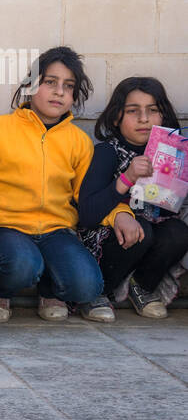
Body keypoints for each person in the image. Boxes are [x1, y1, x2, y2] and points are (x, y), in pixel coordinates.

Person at [0, 46, 104, 322]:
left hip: (57, 230)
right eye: (50, 82)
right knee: (23, 265)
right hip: (5, 228)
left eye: (68, 86)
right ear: (31, 85)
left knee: (87, 285)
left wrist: (120, 214)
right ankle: (1, 292)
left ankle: (49, 290)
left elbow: (87, 196)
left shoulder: (79, 140)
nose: (59, 92)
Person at [77, 76, 188, 320]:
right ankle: (98, 291)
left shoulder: (171, 155)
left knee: (178, 231)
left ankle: (143, 287)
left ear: (163, 116)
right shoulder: (108, 152)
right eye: (132, 111)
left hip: (149, 235)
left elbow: (170, 210)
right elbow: (87, 213)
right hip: (109, 238)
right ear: (117, 117)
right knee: (142, 231)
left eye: (153, 110)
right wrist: (127, 178)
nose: (144, 119)